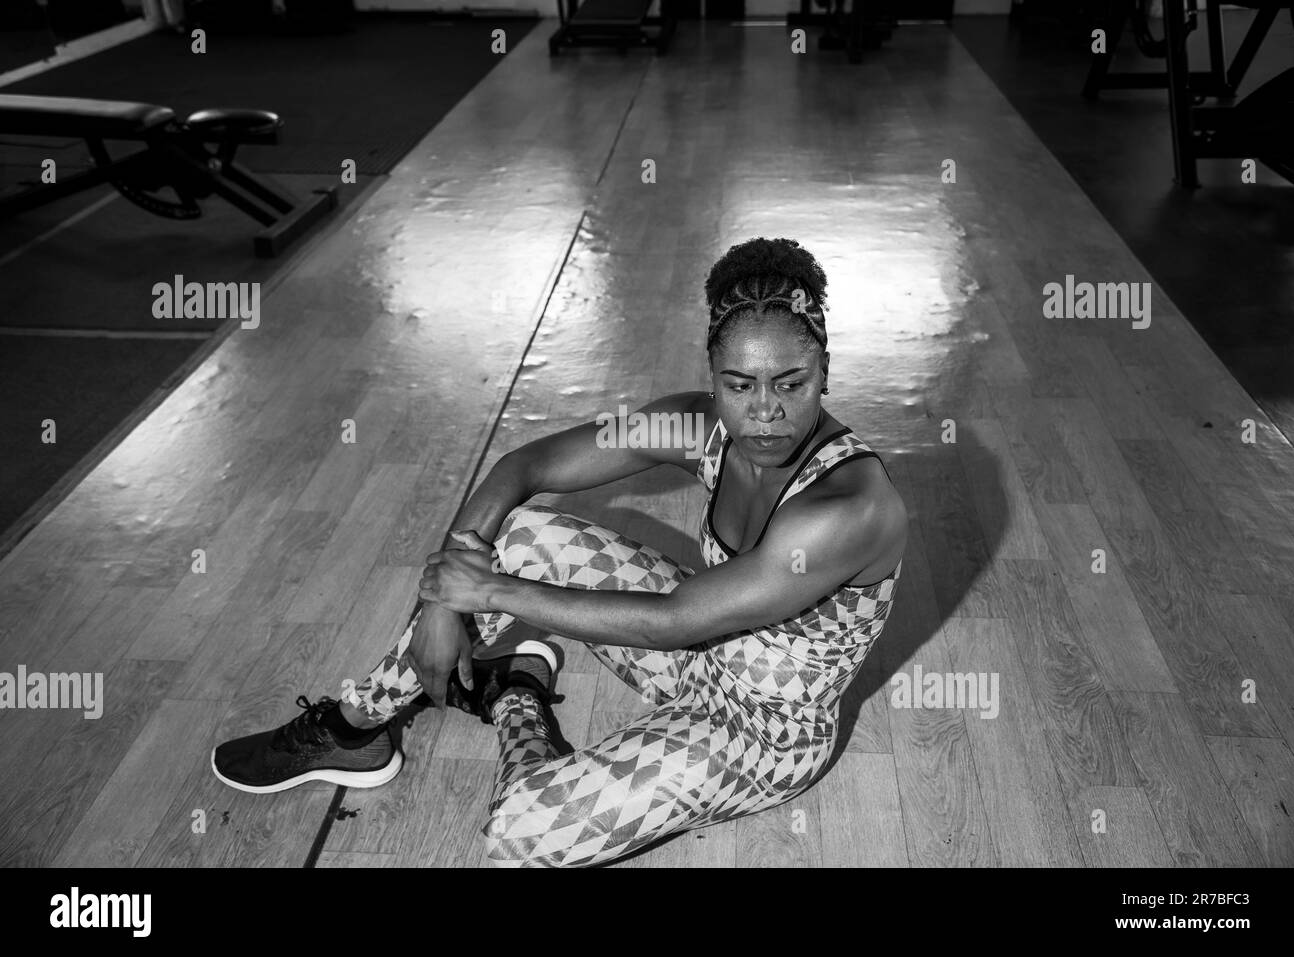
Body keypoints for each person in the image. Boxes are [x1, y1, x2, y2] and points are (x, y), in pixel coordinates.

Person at [212, 236, 908, 867]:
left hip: (762, 730)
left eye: (792, 382)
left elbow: (677, 619)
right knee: (513, 536)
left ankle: (515, 695)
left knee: (520, 832)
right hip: (700, 658)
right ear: (712, 373)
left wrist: (484, 594)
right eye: (739, 384)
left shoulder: (848, 506)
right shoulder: (701, 425)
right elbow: (528, 463)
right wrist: (439, 602)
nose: (765, 411)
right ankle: (352, 724)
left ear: (826, 369)